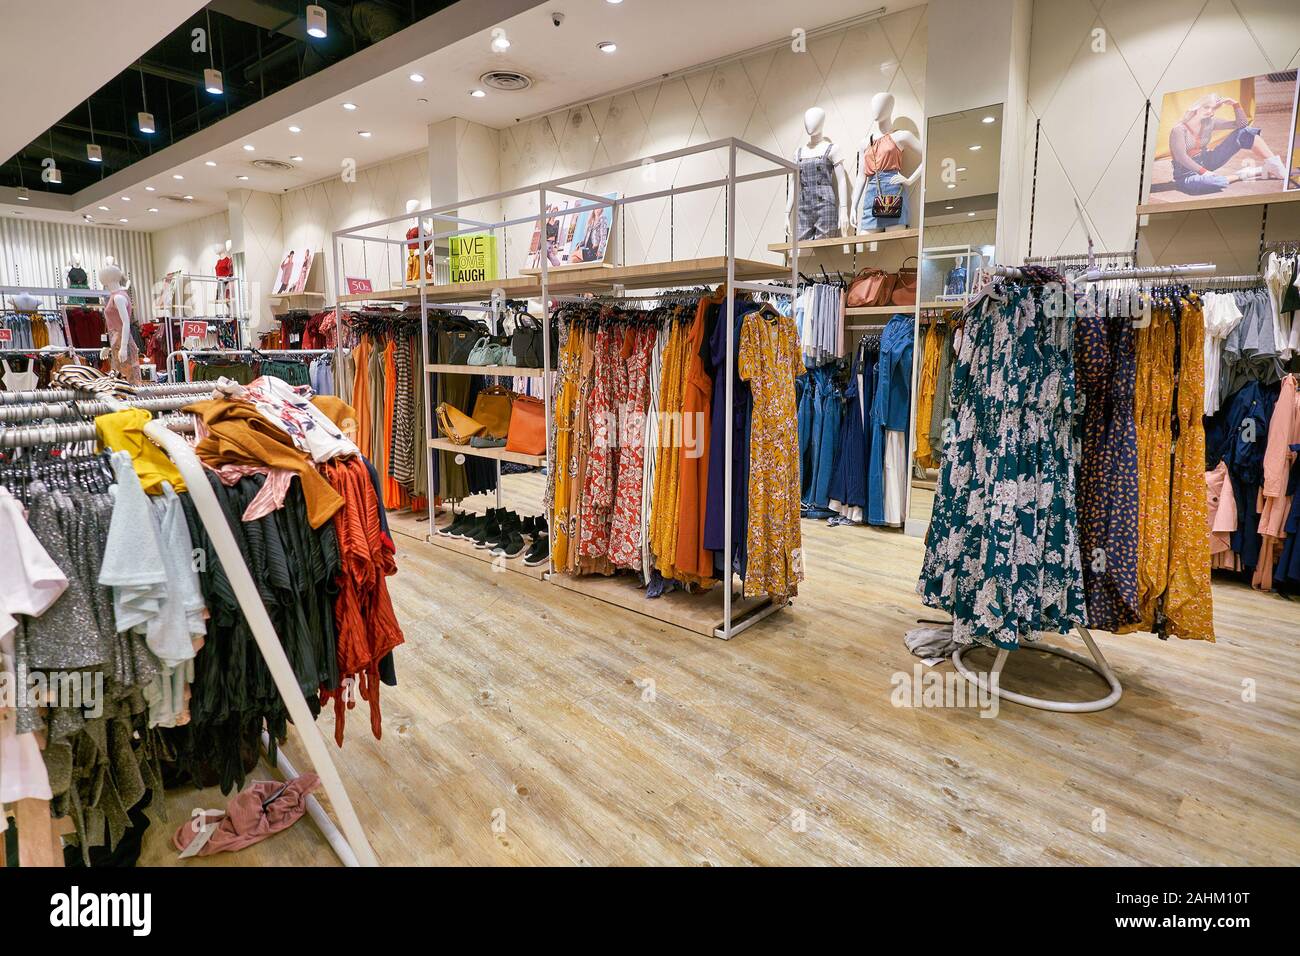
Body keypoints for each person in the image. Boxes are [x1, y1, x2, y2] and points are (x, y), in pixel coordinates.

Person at [1168, 93, 1285, 195]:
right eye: (1206, 107)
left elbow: (1242, 125)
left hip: (1207, 160)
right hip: (1185, 173)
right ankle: (1243, 174)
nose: (1210, 111)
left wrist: (1235, 104)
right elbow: (1181, 157)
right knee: (1215, 182)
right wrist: (1205, 172)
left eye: (1213, 108)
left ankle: (1274, 164)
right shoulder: (1178, 130)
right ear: (1196, 107)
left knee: (1245, 132)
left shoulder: (1210, 122)